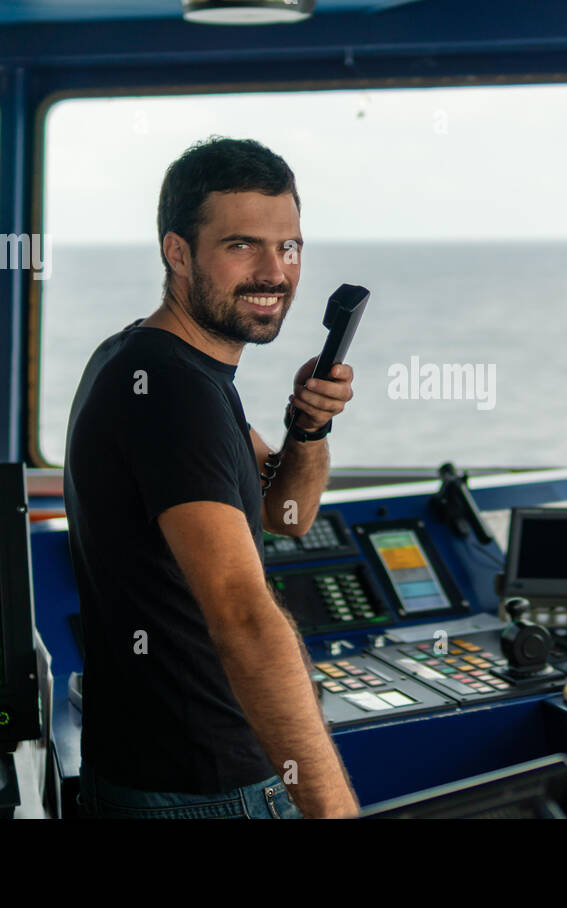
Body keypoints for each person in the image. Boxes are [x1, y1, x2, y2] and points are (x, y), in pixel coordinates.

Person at [63, 136, 359, 819]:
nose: (274, 272)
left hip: (158, 774)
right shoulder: (170, 388)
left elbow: (286, 515)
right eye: (241, 246)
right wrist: (335, 812)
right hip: (204, 791)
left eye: (289, 247)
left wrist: (308, 429)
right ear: (177, 252)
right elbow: (242, 613)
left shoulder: (169, 365)